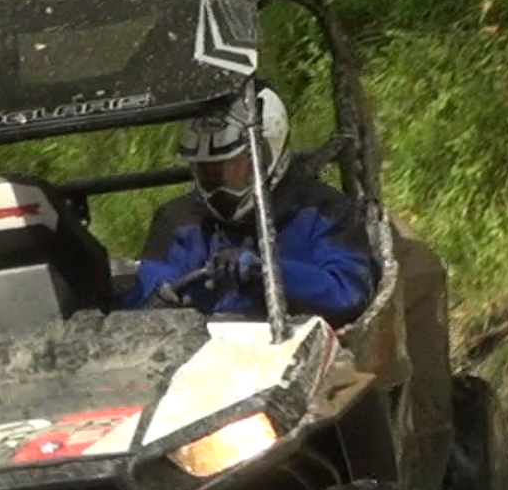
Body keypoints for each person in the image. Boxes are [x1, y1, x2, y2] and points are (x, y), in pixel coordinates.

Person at [121, 86, 376, 327]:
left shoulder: (324, 210)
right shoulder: (177, 221)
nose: (221, 185)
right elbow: (145, 303)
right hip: (200, 359)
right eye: (209, 172)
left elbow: (350, 295)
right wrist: (192, 294)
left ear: (267, 153)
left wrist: (268, 273)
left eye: (234, 168)